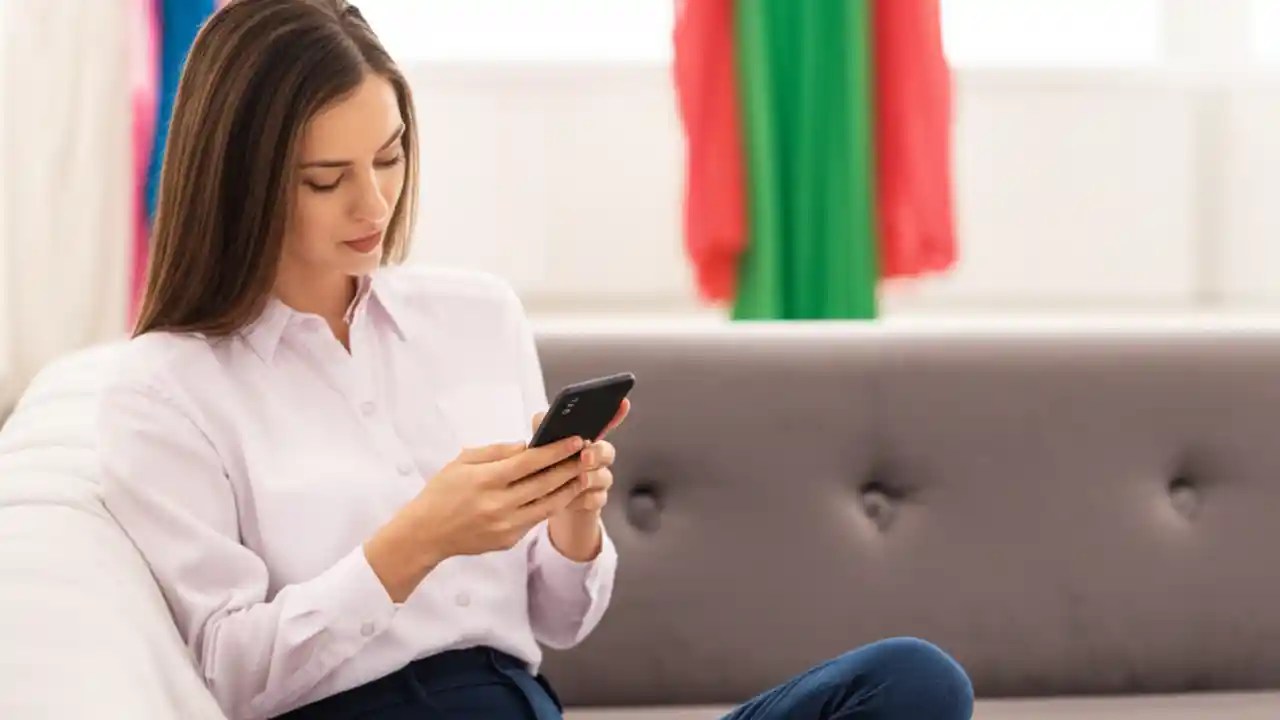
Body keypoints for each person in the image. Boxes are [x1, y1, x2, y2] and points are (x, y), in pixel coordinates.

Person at [98, 1, 975, 719]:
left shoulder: (476, 316)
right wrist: (415, 540)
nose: (373, 202)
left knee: (914, 681)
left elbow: (559, 619)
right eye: (325, 179)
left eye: (391, 156)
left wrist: (571, 522)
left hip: (523, 706)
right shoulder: (168, 387)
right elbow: (228, 675)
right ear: (240, 178)